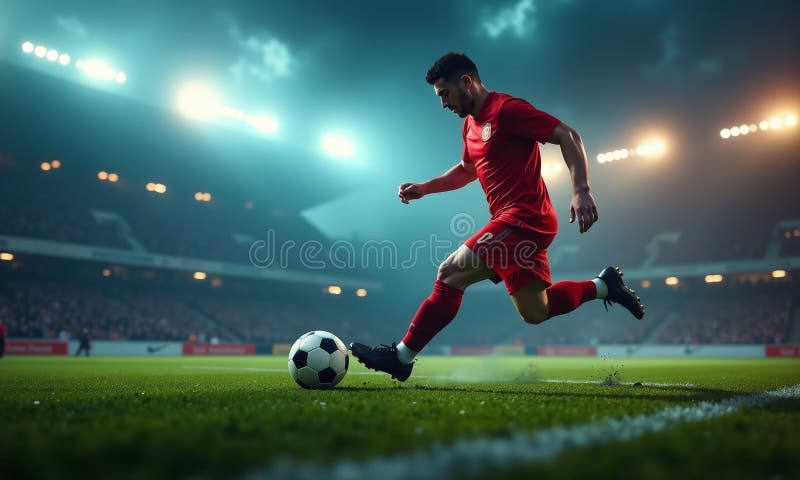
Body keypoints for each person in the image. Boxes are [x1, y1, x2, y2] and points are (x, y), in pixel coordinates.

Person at [351, 52, 645, 381]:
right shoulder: (469, 127)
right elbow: (466, 170)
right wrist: (425, 188)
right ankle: (603, 286)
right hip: (519, 223)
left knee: (450, 272)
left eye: (444, 94)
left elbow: (568, 135)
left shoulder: (507, 110)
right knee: (536, 312)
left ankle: (401, 357)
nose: (443, 104)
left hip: (525, 217)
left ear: (466, 82)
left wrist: (581, 189)